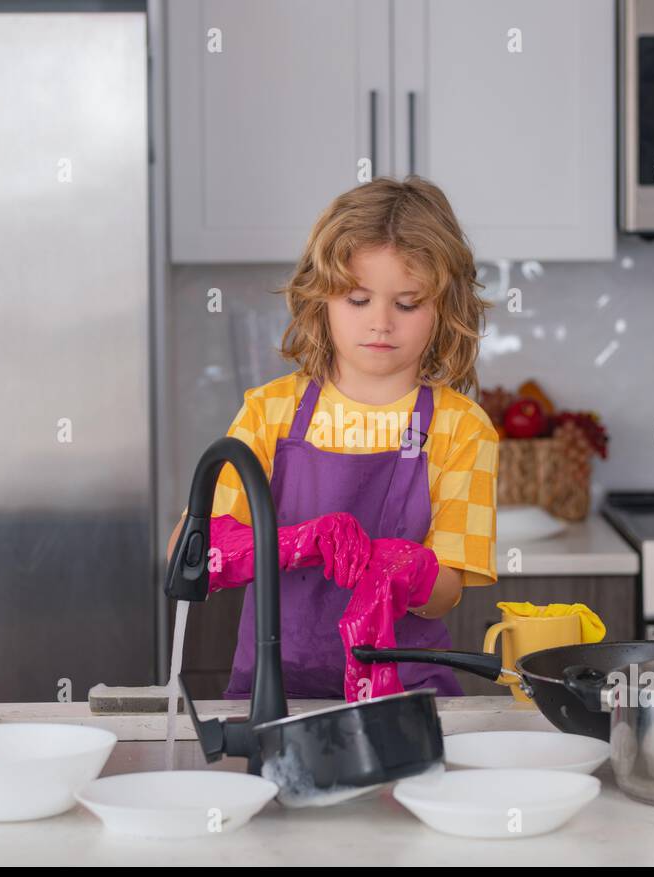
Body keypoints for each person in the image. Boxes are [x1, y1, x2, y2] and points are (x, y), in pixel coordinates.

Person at [168, 176, 498, 698]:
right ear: (320, 299)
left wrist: (391, 566)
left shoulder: (461, 428)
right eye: (358, 299)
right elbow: (189, 556)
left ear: (446, 310)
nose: (381, 323)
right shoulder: (271, 412)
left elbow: (445, 594)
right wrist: (299, 542)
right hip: (274, 694)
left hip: (404, 696)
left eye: (408, 304)